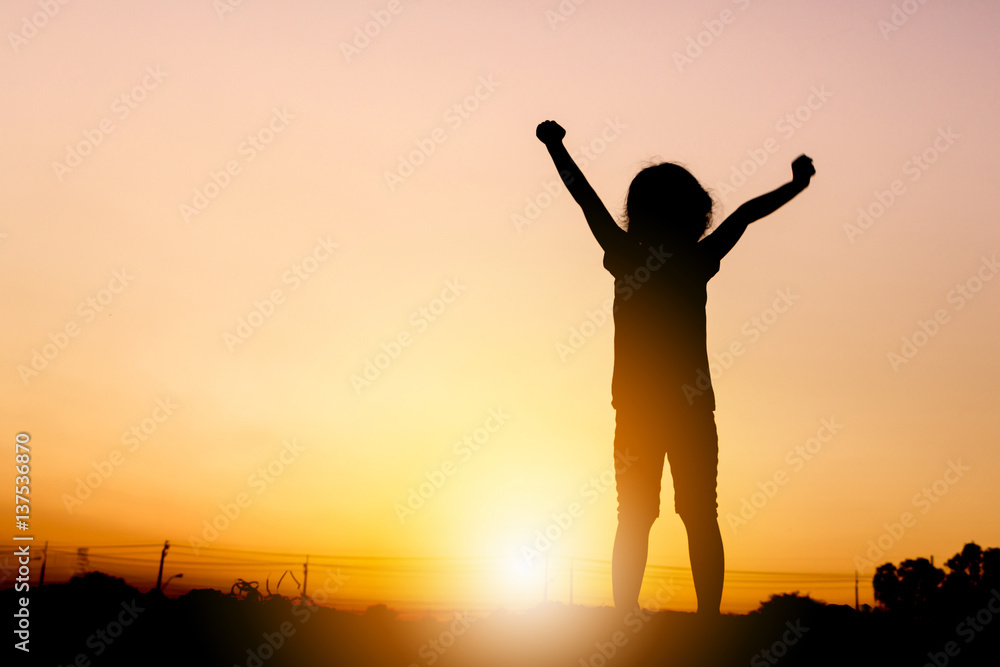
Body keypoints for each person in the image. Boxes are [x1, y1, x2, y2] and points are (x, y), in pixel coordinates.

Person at [536, 119, 815, 615]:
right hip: (687, 411)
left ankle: (627, 618)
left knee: (638, 517)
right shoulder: (694, 259)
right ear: (696, 214)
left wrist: (556, 146)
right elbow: (748, 213)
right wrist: (796, 184)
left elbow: (585, 198)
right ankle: (703, 619)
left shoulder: (626, 255)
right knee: (695, 517)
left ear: (638, 213)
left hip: (641, 412)